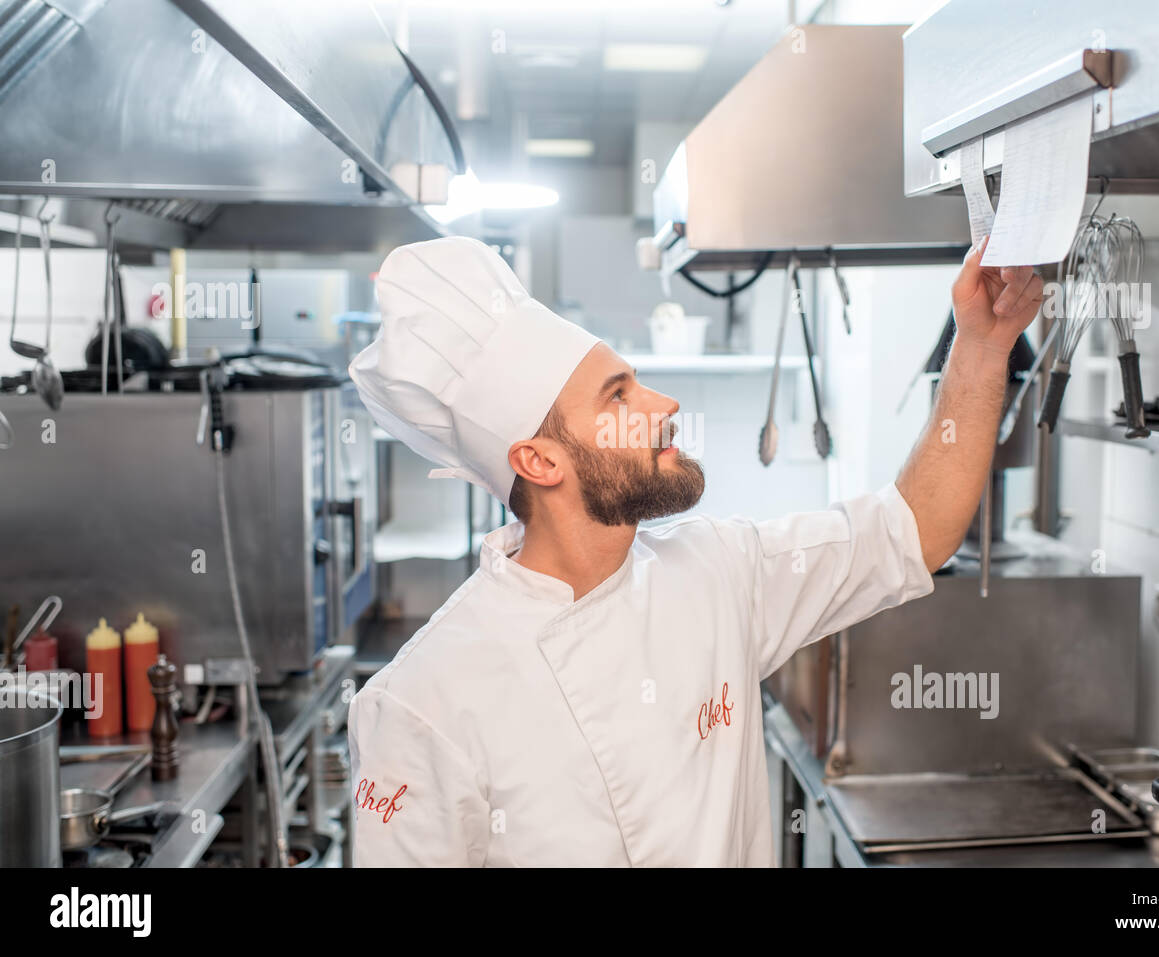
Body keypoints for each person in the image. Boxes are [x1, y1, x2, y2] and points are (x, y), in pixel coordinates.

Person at [346, 234, 1041, 866]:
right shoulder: (419, 705)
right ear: (539, 460)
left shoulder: (718, 571)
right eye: (618, 398)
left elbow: (912, 529)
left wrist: (982, 345)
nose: (664, 403)